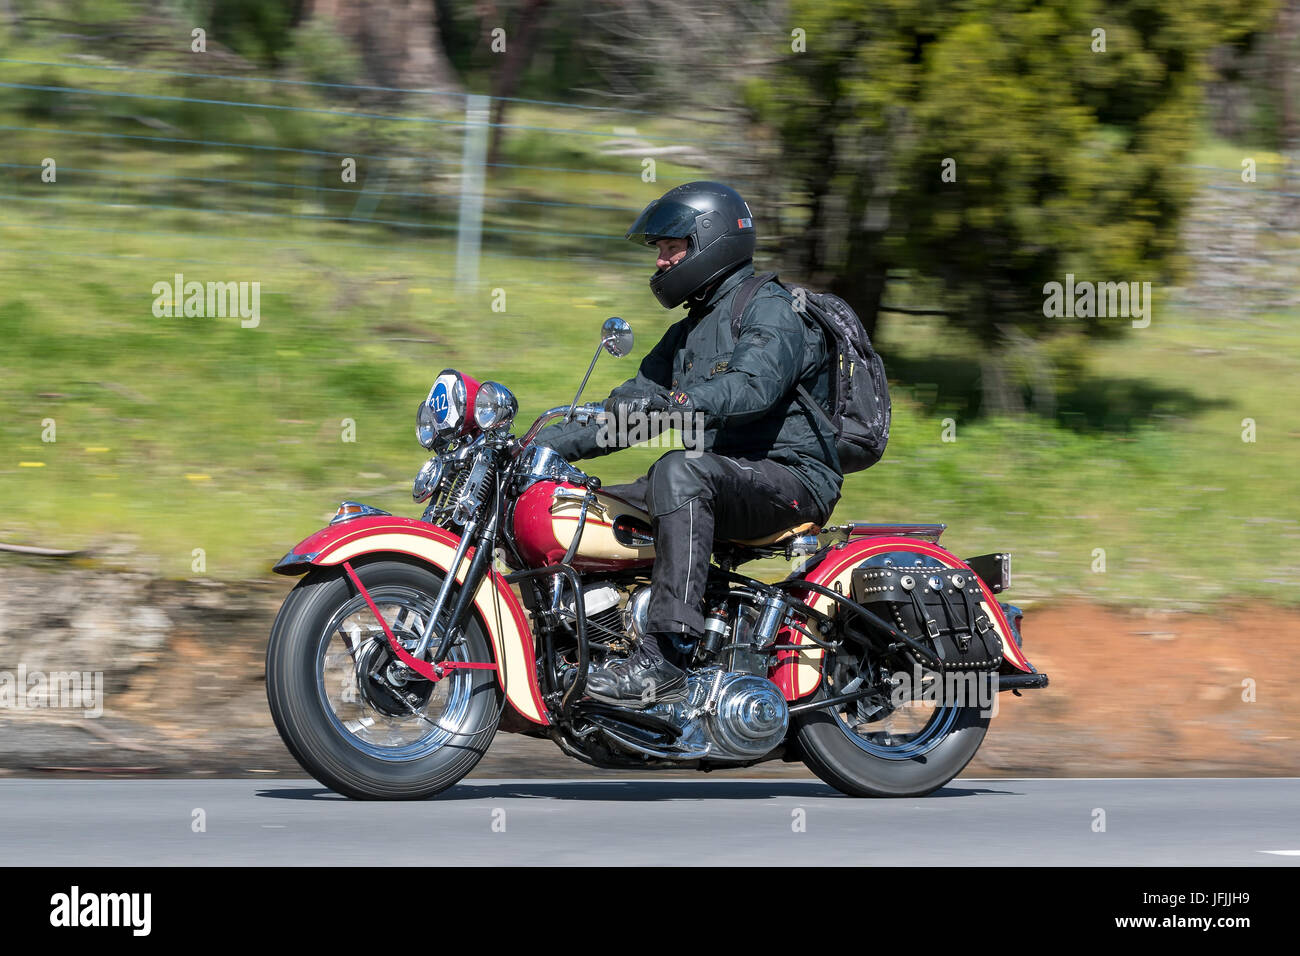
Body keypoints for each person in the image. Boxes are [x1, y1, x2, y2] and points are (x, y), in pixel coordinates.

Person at [538, 181, 842, 706]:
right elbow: (625, 414)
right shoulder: (688, 332)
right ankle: (589, 644)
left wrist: (677, 407)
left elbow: (751, 387)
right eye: (658, 250)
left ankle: (667, 656)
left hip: (788, 478)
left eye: (670, 248)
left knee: (677, 471)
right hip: (725, 474)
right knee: (576, 502)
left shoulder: (772, 309)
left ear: (711, 242)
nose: (659, 262)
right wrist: (542, 448)